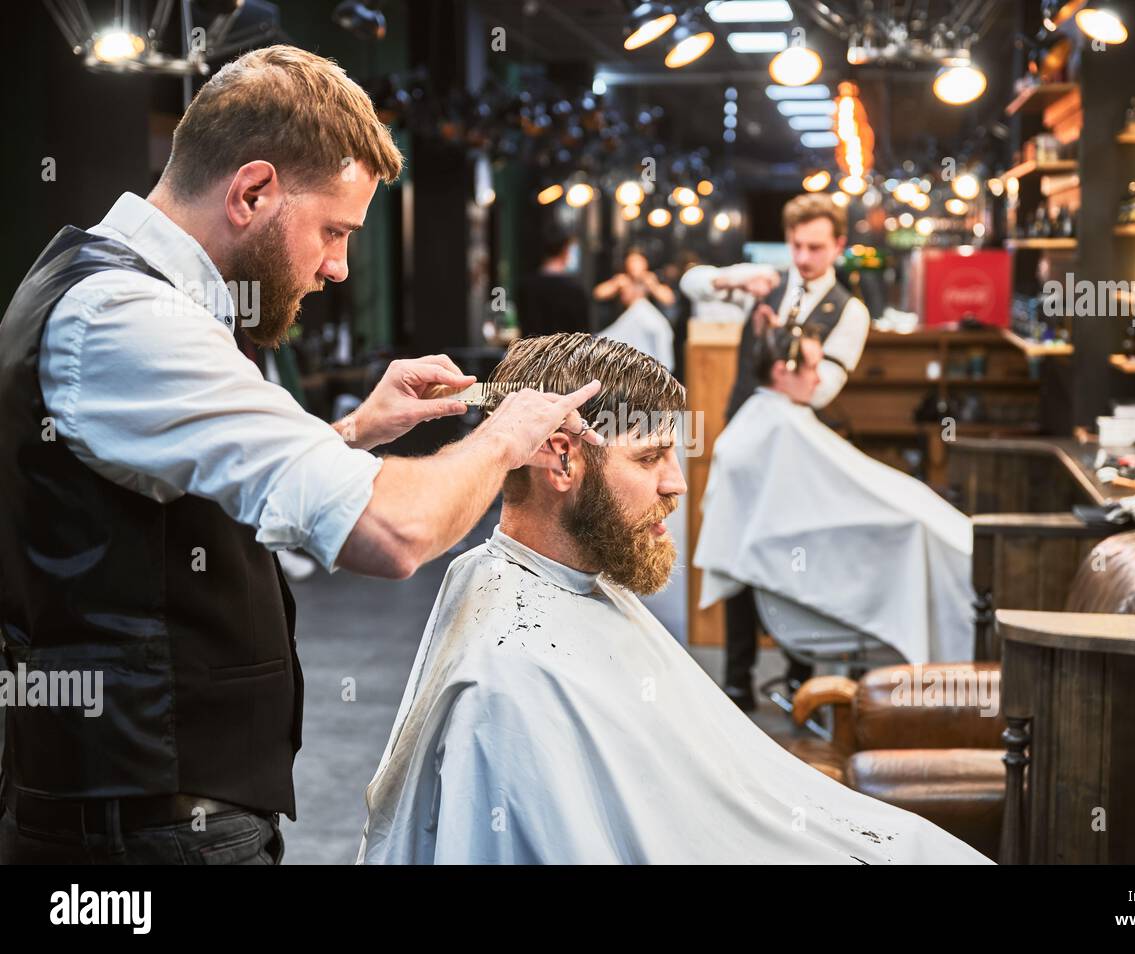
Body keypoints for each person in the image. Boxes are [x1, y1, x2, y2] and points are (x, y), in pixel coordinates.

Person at [0, 45, 600, 865]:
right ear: (252, 191)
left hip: (156, 813)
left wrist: (353, 432)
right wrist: (503, 437)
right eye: (334, 230)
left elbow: (172, 474)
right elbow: (391, 535)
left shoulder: (117, 289)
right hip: (144, 831)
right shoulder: (123, 318)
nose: (337, 265)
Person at [356, 333, 990, 865]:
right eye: (650, 456)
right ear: (561, 460)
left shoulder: (551, 585)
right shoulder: (511, 671)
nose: (678, 485)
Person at [680, 193, 870, 710]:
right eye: (796, 245)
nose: (803, 258)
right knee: (738, 551)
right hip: (746, 440)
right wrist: (732, 278)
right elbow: (690, 285)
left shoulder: (850, 312)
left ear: (838, 246)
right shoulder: (764, 284)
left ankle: (798, 677)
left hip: (800, 455)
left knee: (795, 556)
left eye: (815, 247)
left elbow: (821, 389)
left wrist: (783, 345)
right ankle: (737, 678)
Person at [694, 324, 975, 666]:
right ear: (782, 371)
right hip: (807, 564)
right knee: (930, 536)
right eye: (812, 367)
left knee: (927, 522)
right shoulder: (775, 426)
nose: (819, 379)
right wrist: (905, 516)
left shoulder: (777, 419)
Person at [515, 225, 590, 337]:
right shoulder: (575, 290)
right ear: (565, 250)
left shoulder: (525, 287)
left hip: (532, 353)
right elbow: (583, 335)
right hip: (566, 354)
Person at [593, 247, 676, 311]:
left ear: (645, 263)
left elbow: (670, 300)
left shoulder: (651, 280)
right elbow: (598, 294)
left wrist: (653, 286)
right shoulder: (622, 280)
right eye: (631, 261)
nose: (634, 265)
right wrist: (615, 284)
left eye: (638, 261)